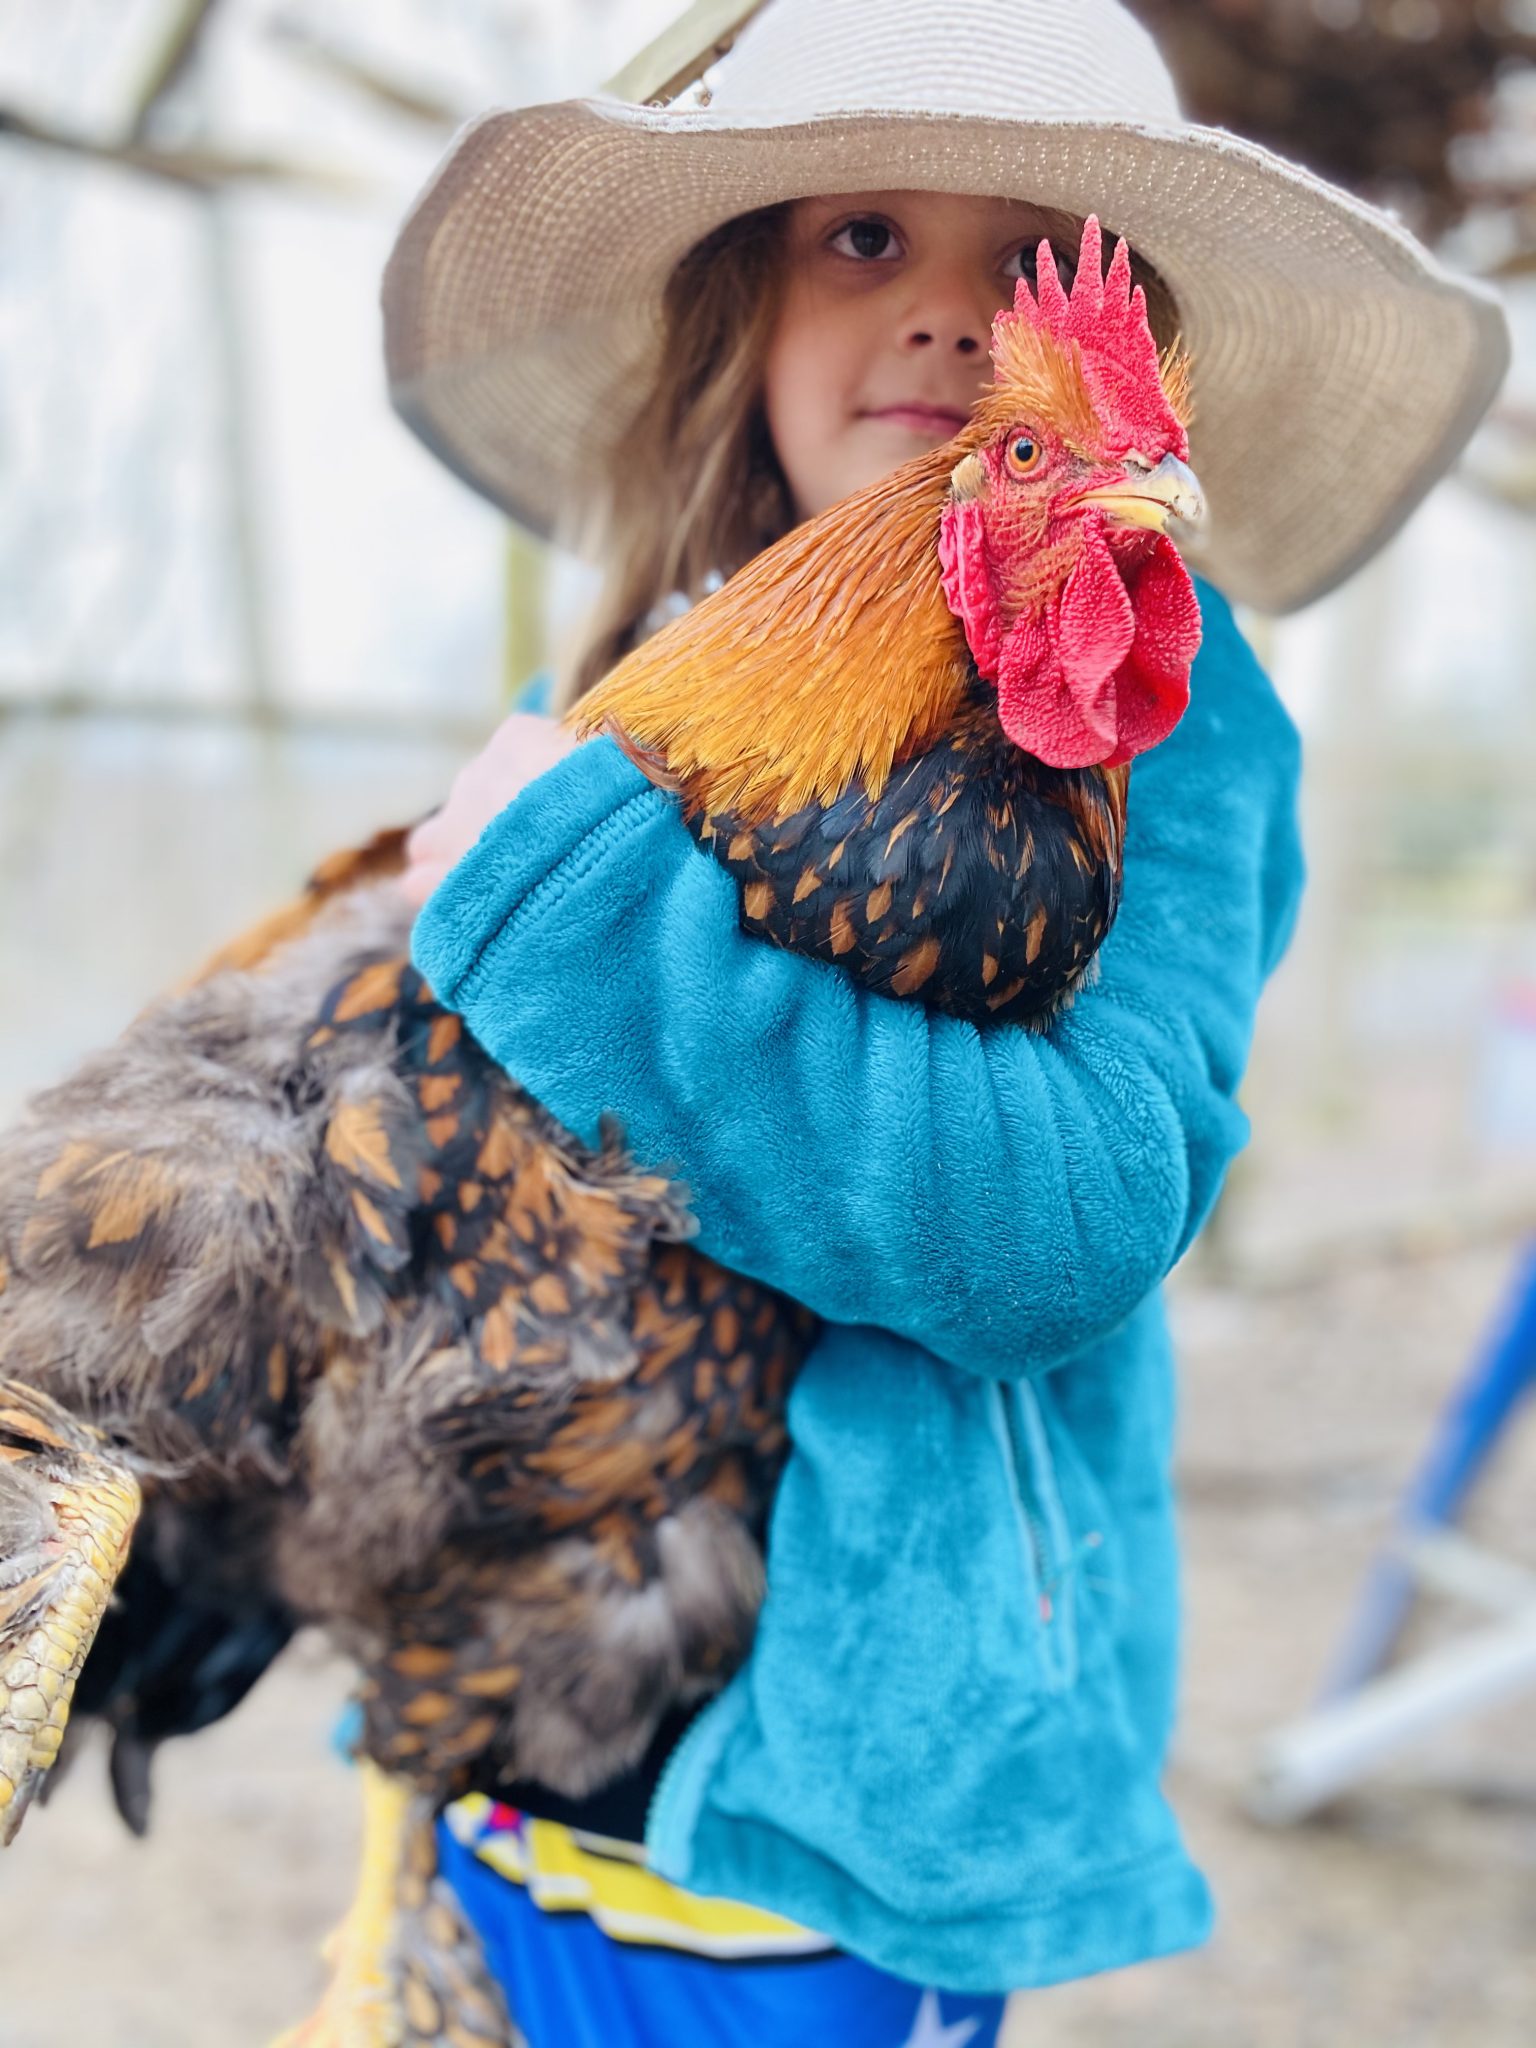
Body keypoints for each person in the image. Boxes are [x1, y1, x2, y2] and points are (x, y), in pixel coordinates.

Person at [385, 1, 1508, 2042]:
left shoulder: (1158, 719)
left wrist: (575, 915)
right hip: (506, 1706)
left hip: (835, 1791)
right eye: (864, 237)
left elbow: (1053, 1229)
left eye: (1031, 260)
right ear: (741, 301)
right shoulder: (633, 671)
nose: (948, 315)